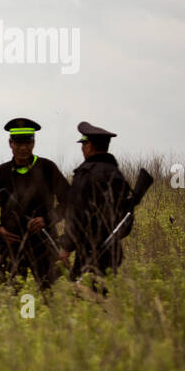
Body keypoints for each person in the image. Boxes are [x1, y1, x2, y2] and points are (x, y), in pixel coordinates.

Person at [0, 119, 69, 289]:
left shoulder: (47, 168)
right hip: (11, 246)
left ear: (33, 143)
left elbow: (69, 201)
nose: (23, 147)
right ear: (10, 143)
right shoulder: (2, 172)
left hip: (44, 245)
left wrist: (47, 219)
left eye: (27, 142)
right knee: (11, 296)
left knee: (48, 297)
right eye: (18, 143)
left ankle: (37, 315)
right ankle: (24, 315)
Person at [59, 121, 133, 285]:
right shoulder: (117, 175)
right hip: (112, 253)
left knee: (82, 301)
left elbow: (75, 215)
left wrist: (66, 247)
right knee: (101, 296)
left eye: (84, 143)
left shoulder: (85, 174)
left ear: (90, 146)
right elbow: (126, 221)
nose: (82, 148)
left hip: (88, 251)